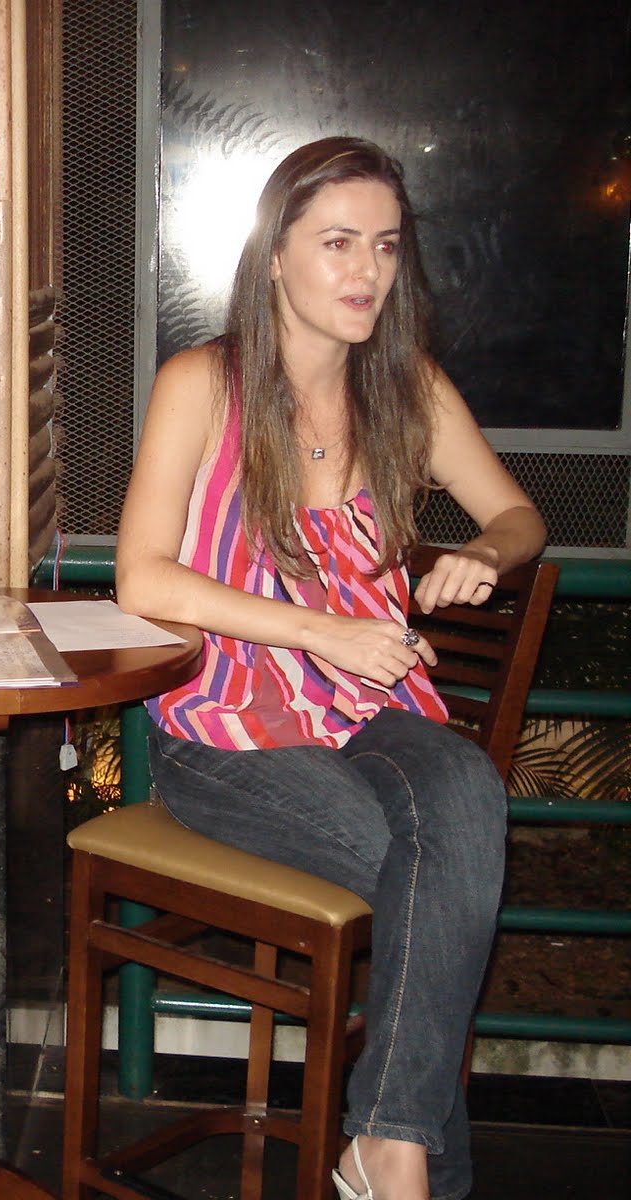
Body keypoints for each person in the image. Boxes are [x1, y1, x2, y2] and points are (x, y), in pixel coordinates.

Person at [116, 137, 547, 1200]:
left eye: (385, 247)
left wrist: (481, 556)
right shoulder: (200, 385)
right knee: (426, 880)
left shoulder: (406, 391)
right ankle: (408, 1169)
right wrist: (316, 629)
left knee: (462, 788)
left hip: (366, 706)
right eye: (338, 243)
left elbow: (519, 516)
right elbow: (141, 580)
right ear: (274, 257)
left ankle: (381, 1150)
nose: (366, 272)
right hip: (223, 726)